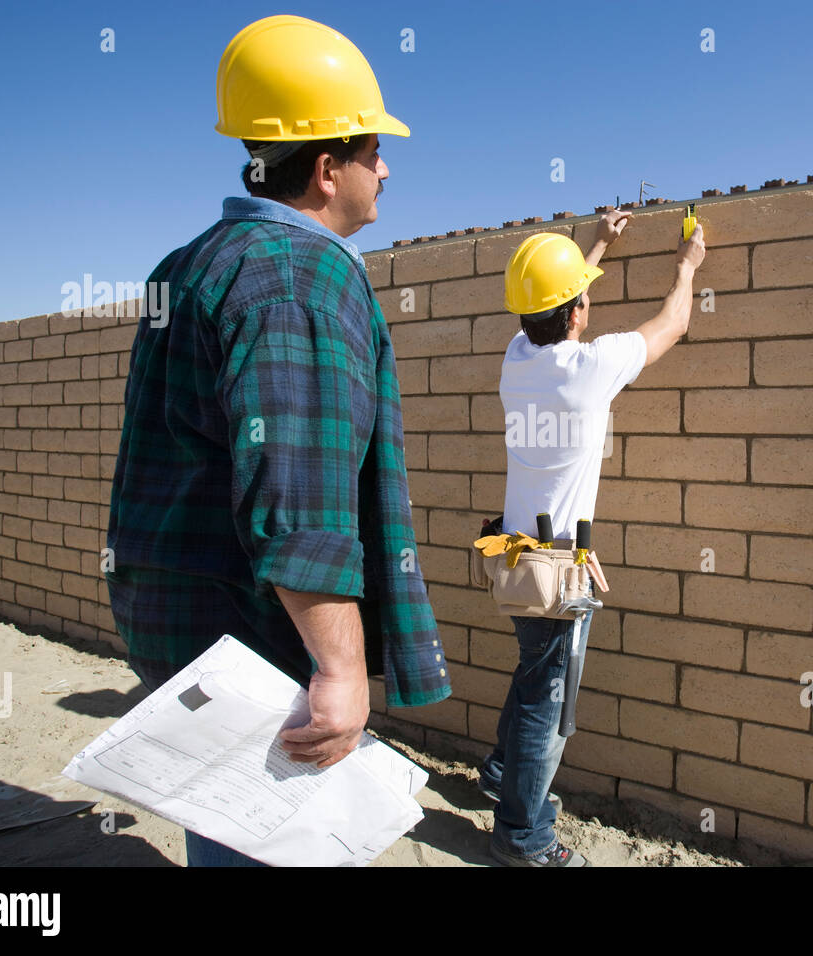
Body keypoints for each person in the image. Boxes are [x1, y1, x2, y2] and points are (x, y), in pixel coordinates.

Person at [104, 15, 450, 867]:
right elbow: (294, 489)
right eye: (374, 151)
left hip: (184, 624)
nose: (387, 167)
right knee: (275, 840)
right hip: (257, 640)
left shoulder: (188, 263)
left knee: (224, 826)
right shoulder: (303, 273)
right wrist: (337, 668)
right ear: (328, 169)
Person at [478, 211, 708, 866]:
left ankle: (501, 774)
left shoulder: (517, 361)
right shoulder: (592, 369)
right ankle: (524, 839)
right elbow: (673, 324)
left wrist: (599, 245)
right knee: (548, 707)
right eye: (584, 293)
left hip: (516, 557)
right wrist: (687, 265)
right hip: (556, 571)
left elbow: (551, 304)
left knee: (532, 673)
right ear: (578, 310)